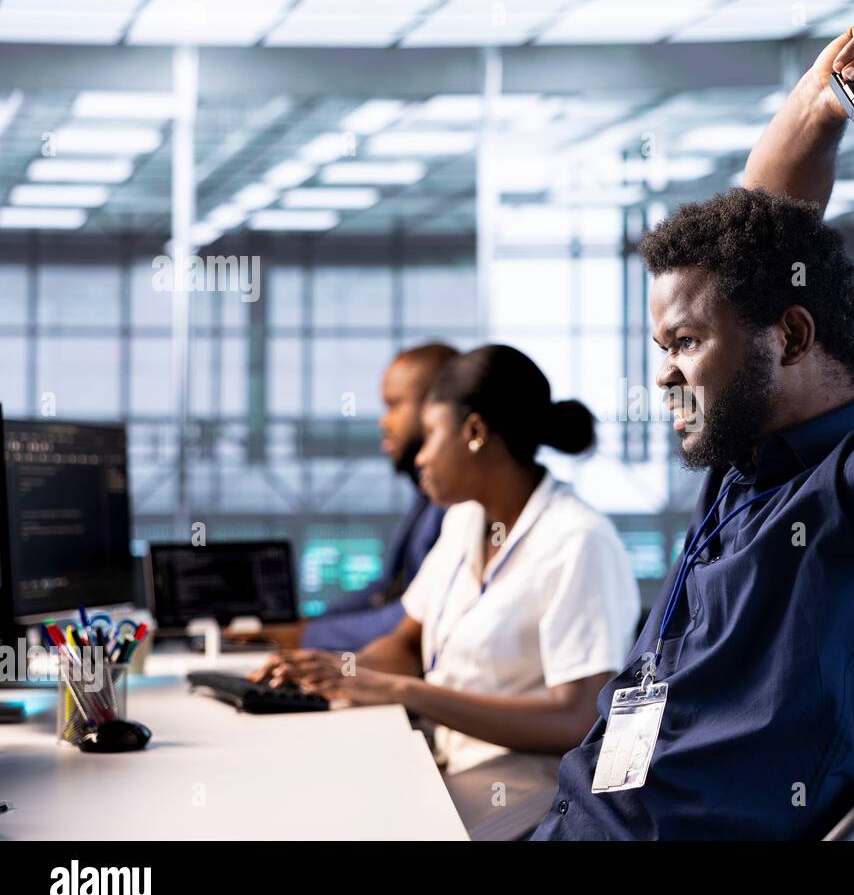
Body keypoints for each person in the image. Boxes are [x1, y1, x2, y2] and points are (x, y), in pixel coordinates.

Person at [532, 24, 854, 839]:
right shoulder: (750, 467)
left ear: (792, 340)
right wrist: (825, 97)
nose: (663, 374)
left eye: (685, 345)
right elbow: (759, 233)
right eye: (663, 348)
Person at [257, 345, 640, 835]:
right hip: (449, 761)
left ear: (475, 433)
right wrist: (329, 673)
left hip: (528, 784)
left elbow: (579, 720)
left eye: (431, 436)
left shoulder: (578, 539)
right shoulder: (465, 520)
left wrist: (405, 692)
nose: (419, 457)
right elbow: (406, 643)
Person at [229, 342, 457, 651]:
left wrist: (301, 637)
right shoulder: (426, 498)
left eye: (394, 404)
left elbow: (414, 615)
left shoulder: (462, 504)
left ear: (437, 406)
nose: (383, 421)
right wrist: (307, 625)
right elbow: (388, 590)